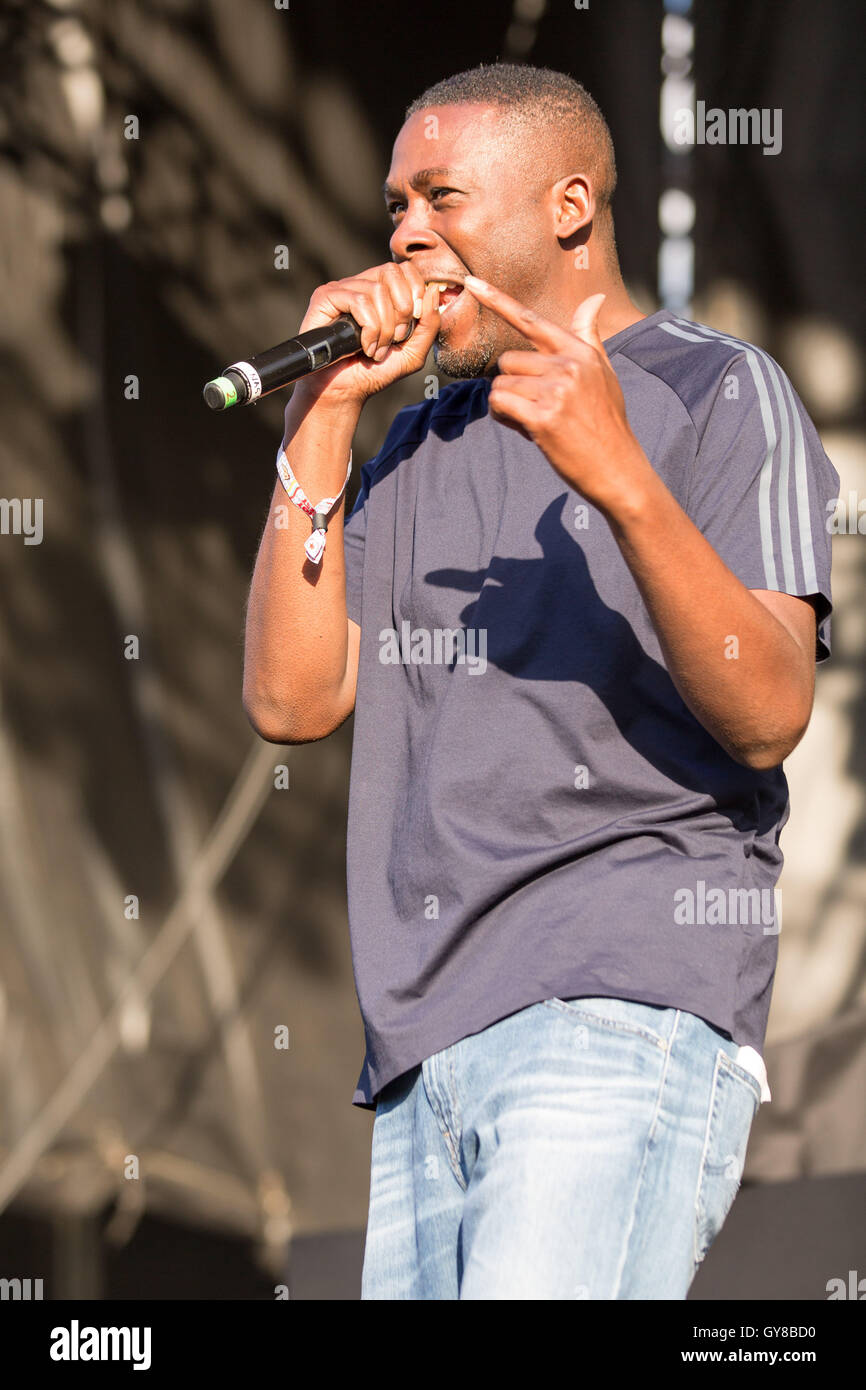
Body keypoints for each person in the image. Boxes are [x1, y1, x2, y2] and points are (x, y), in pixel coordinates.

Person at [242, 62, 839, 1299]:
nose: (406, 233)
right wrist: (318, 422)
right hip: (420, 1051)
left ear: (567, 205)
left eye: (441, 196)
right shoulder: (411, 443)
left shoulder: (717, 390)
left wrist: (615, 469)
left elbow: (770, 708)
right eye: (396, 207)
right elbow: (290, 703)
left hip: (613, 1002)